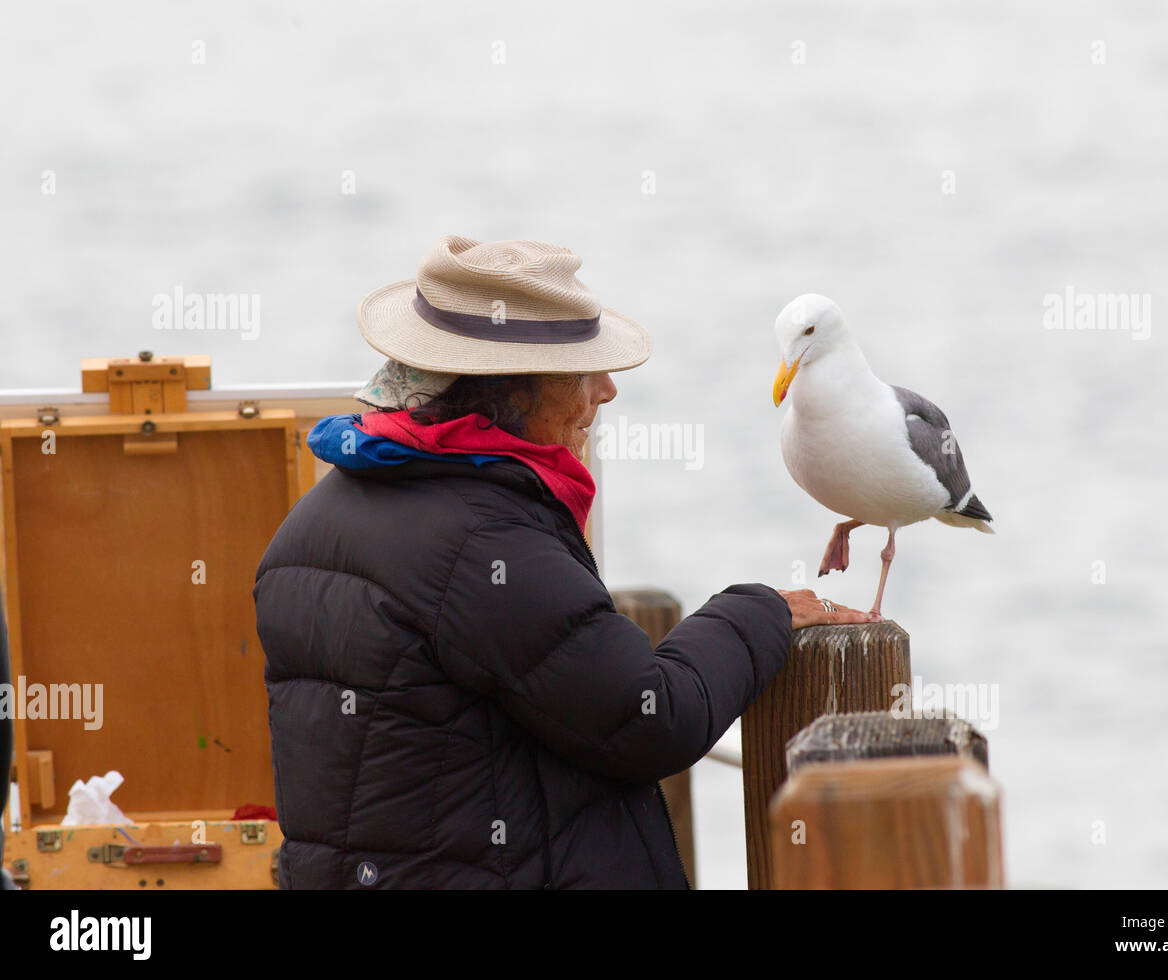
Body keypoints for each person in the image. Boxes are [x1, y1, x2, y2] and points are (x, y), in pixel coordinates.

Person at [253, 235, 870, 889]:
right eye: (582, 370)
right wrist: (759, 612)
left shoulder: (314, 520)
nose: (606, 391)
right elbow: (650, 718)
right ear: (509, 387)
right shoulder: (484, 543)